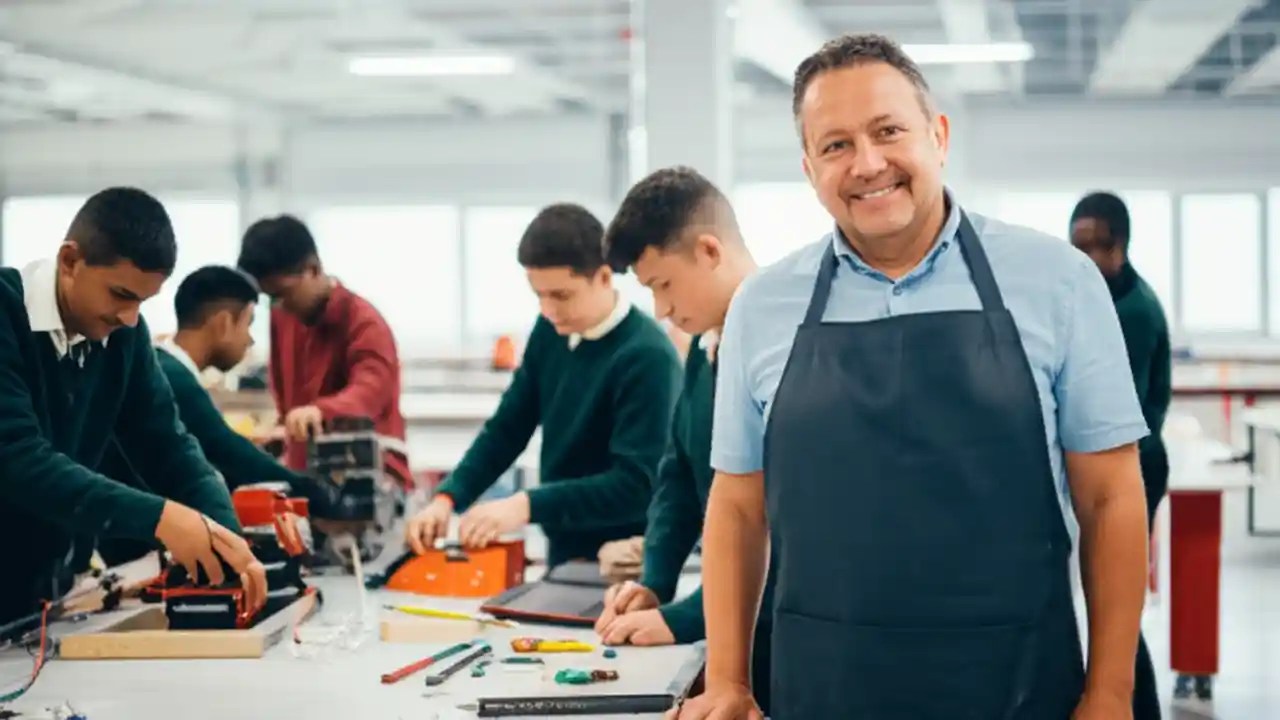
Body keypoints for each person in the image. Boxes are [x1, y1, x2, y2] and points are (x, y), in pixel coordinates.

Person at [677, 34, 1151, 720]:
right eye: (835, 145)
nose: (868, 164)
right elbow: (738, 507)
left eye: (888, 131)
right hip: (822, 689)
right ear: (810, 169)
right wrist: (727, 682)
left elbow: (1111, 499)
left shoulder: (1058, 281)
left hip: (1016, 687)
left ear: (938, 136)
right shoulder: (763, 305)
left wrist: (1109, 694)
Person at [0, 187, 267, 625]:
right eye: (120, 293)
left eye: (142, 301)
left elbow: (169, 447)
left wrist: (225, 539)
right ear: (70, 261)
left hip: (41, 603)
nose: (128, 316)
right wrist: (163, 518)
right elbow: (16, 458)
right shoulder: (6, 311)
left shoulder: (123, 336)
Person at [590, 167, 775, 713]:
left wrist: (681, 619)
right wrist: (654, 583)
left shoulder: (782, 347)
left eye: (663, 286)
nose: (661, 310)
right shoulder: (706, 343)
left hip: (779, 645)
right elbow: (676, 474)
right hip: (728, 642)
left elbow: (782, 535)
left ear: (709, 251)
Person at [405, 203, 682, 567]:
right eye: (539, 295)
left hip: (627, 559)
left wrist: (526, 505)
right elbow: (507, 428)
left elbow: (635, 485)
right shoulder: (550, 333)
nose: (549, 310)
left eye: (561, 295)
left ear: (603, 277)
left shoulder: (647, 357)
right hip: (566, 551)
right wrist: (448, 498)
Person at [1071, 191, 1172, 720]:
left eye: (1098, 246)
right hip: (1115, 460)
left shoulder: (1131, 311)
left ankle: (1135, 705)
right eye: (1078, 245)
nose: (1087, 257)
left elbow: (1111, 415)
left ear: (1122, 246)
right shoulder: (1098, 298)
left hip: (1134, 467)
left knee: (1115, 599)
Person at [236, 215, 411, 488]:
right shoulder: (284, 316)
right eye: (270, 298)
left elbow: (368, 393)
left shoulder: (365, 323)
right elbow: (288, 405)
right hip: (310, 478)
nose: (279, 306)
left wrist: (319, 412)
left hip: (372, 482)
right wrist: (284, 432)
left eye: (283, 294)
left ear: (314, 269)